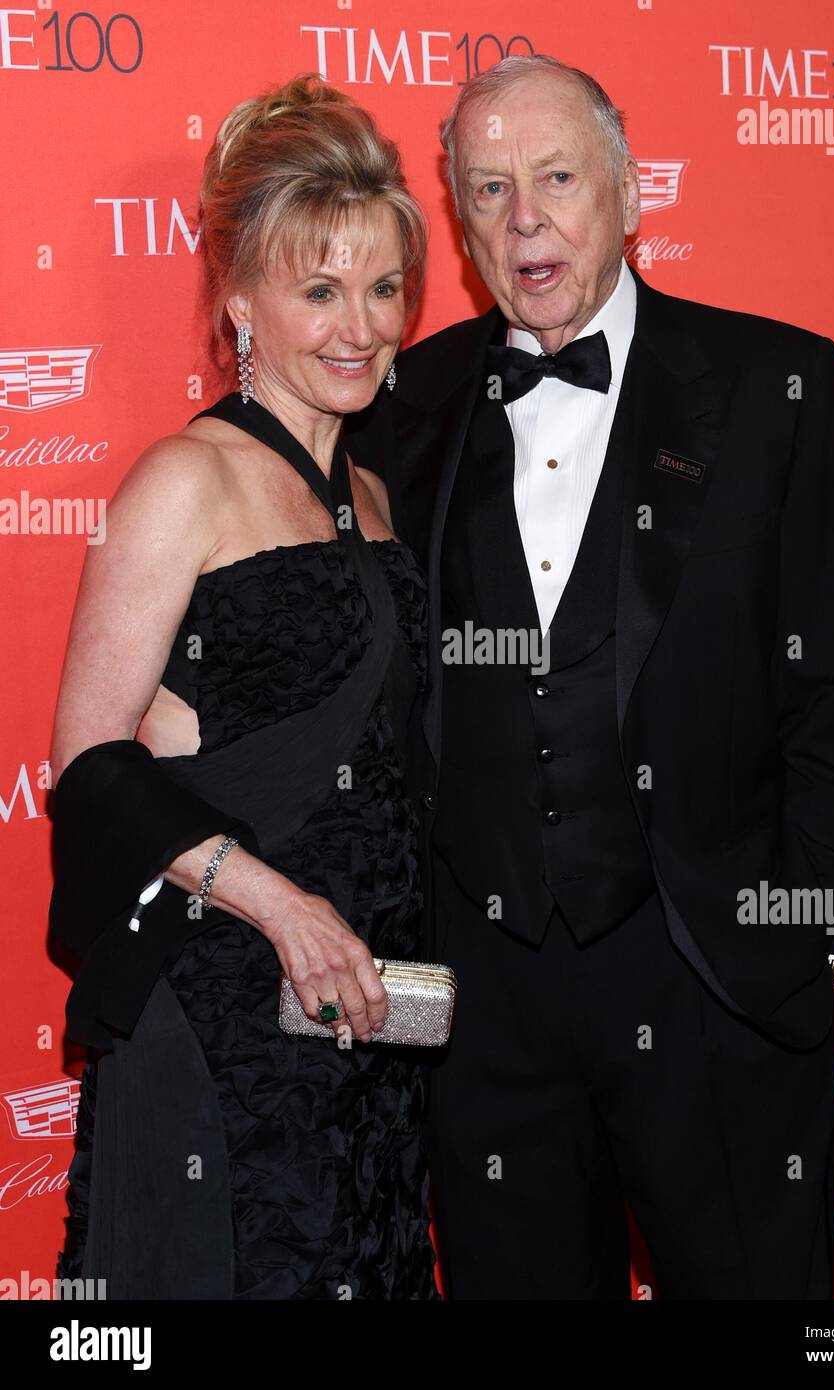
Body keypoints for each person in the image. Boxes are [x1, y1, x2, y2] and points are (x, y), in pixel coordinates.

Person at [344, 54, 834, 1299]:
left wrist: (803, 932)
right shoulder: (407, 398)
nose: (522, 217)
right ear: (458, 217)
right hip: (486, 1013)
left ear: (630, 191)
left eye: (554, 178)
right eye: (486, 189)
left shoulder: (775, 385)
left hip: (711, 977)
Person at [47, 73, 438, 1300]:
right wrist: (286, 909)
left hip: (360, 1021)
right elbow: (93, 767)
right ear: (240, 304)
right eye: (319, 290)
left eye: (383, 289)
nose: (359, 326)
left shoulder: (368, 497)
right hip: (224, 1003)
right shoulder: (183, 480)